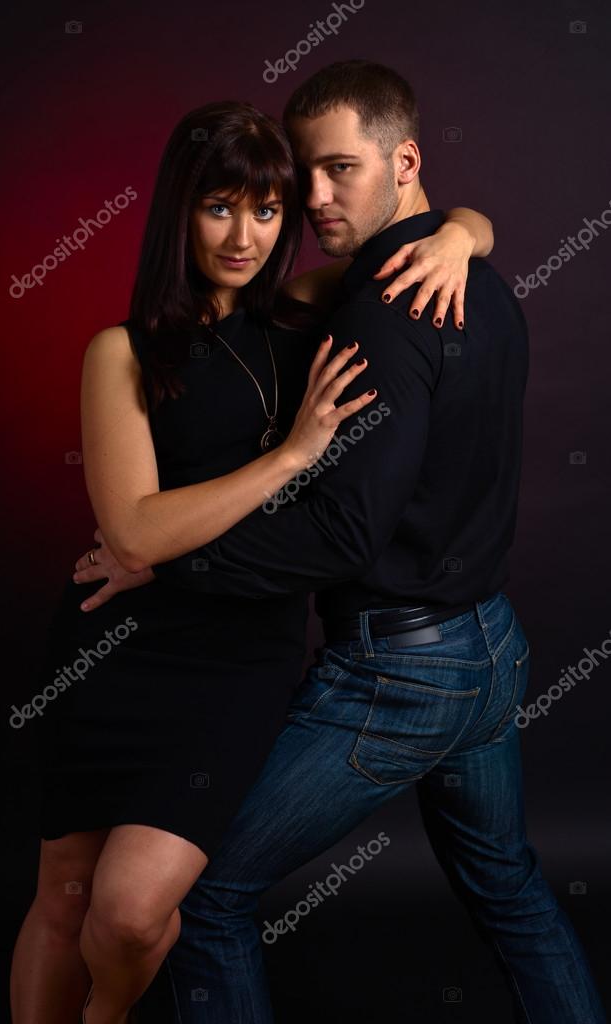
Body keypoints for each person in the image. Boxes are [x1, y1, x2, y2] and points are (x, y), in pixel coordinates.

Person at [75, 62, 608, 1023]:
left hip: (402, 677)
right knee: (512, 891)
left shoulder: (379, 311)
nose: (315, 200)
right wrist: (463, 227)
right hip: (490, 647)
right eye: (301, 181)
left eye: (339, 172)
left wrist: (163, 559)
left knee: (203, 898)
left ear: (402, 161)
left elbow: (340, 532)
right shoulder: (478, 284)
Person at [9, 94, 491, 1024]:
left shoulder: (304, 311)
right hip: (115, 649)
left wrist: (461, 235)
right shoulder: (122, 354)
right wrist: (292, 456)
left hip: (236, 660)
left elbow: (442, 223)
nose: (244, 235)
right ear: (178, 210)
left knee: (133, 911)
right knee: (64, 898)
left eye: (267, 210)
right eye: (219, 205)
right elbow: (137, 534)